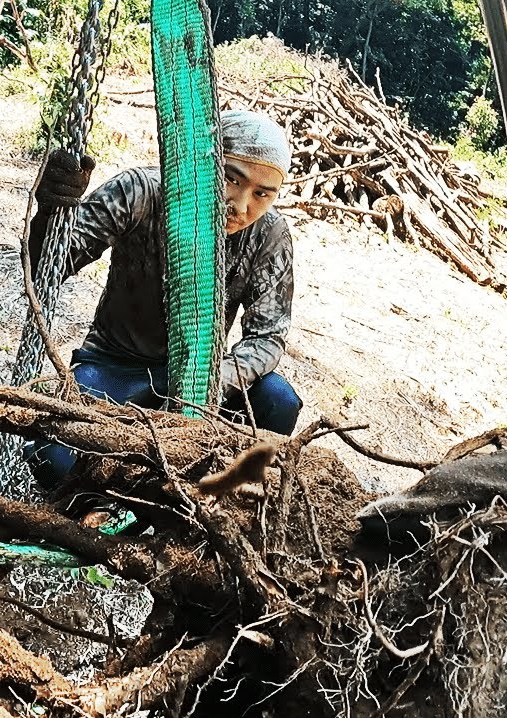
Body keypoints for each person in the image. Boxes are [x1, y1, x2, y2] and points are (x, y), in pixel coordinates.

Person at [25, 109, 302, 490]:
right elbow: (51, 265)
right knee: (50, 452)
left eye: (261, 194)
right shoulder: (142, 192)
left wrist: (216, 378)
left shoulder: (268, 236)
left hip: (201, 373)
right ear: (203, 161)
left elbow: (267, 337)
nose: (240, 205)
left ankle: (222, 498)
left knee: (278, 400)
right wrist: (52, 212)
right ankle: (99, 507)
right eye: (230, 178)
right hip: (114, 368)